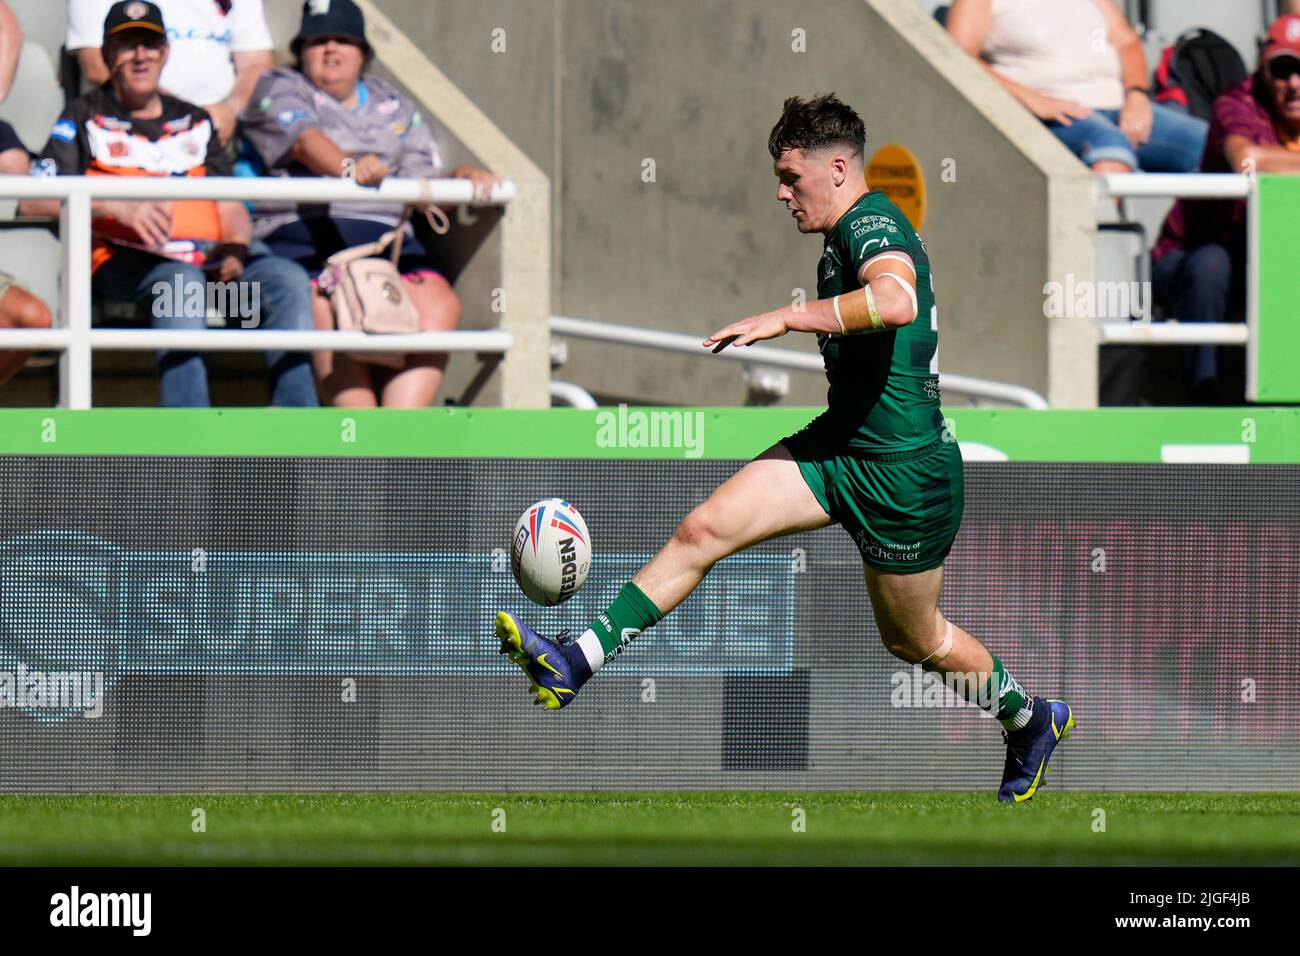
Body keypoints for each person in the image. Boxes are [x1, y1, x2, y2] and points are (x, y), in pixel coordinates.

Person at [495, 95, 1075, 804]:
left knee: (914, 640)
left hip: (904, 475)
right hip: (841, 447)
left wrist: (787, 316)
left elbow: (895, 300)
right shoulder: (845, 232)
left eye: (791, 176)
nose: (781, 193)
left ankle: (1029, 718)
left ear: (838, 168)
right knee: (703, 530)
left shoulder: (872, 220)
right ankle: (573, 660)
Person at [21, 1, 318, 407]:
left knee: (285, 282)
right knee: (181, 288)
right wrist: (114, 208)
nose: (140, 55)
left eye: (149, 44)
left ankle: (296, 434)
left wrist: (235, 245)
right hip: (130, 266)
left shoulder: (196, 119)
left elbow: (228, 201)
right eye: (127, 46)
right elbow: (34, 201)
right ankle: (186, 443)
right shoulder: (82, 115)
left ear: (166, 53)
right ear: (107, 56)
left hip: (216, 269)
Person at [240, 0, 499, 408]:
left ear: (363, 52)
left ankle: (397, 439)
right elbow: (305, 141)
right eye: (317, 40)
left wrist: (461, 179)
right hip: (304, 237)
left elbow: (423, 189)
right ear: (301, 48)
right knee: (324, 308)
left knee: (440, 302)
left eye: (343, 40)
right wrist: (349, 168)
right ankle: (360, 442)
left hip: (389, 241)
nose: (330, 49)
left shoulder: (394, 106)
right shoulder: (278, 86)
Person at [1152, 14, 1300, 404]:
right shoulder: (1238, 101)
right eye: (1283, 70)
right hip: (1193, 256)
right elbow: (1245, 160)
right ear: (1265, 69)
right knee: (1212, 264)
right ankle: (1205, 398)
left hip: (1273, 260)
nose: (1294, 84)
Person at [947, 0, 1208, 174]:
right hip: (1049, 113)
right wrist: (1032, 99)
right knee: (1109, 146)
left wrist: (1137, 95)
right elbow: (957, 56)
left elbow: (1127, 42)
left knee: (1212, 144)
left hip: (1120, 107)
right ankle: (1101, 250)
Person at [66, 0, 273, 147]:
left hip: (225, 130)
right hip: (133, 130)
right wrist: (185, 115)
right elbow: (96, 64)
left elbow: (256, 63)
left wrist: (229, 110)